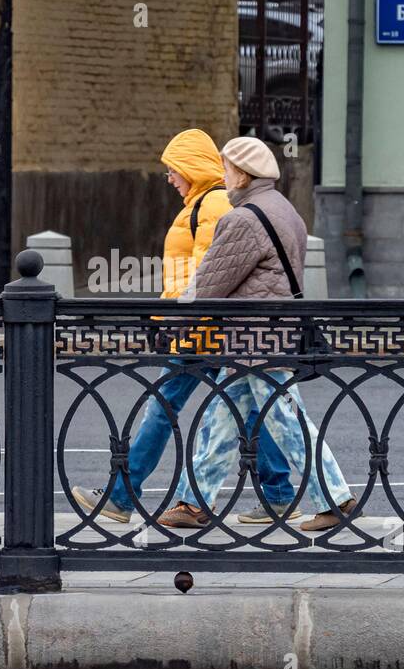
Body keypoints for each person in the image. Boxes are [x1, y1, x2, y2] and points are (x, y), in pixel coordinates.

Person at [71, 129, 301, 526]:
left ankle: (123, 497)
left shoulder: (212, 205)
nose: (170, 178)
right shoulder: (203, 203)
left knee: (164, 407)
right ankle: (278, 494)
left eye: (173, 170)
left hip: (201, 329)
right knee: (245, 408)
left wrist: (175, 321)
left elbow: (210, 275)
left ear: (192, 168)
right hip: (201, 326)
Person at [157, 136, 359, 532]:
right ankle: (192, 503)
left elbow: (208, 285)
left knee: (287, 420)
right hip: (267, 338)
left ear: (243, 174)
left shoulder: (243, 220)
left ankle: (337, 500)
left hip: (253, 341)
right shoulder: (287, 211)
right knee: (220, 419)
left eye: (228, 168)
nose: (224, 176)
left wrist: (174, 324)